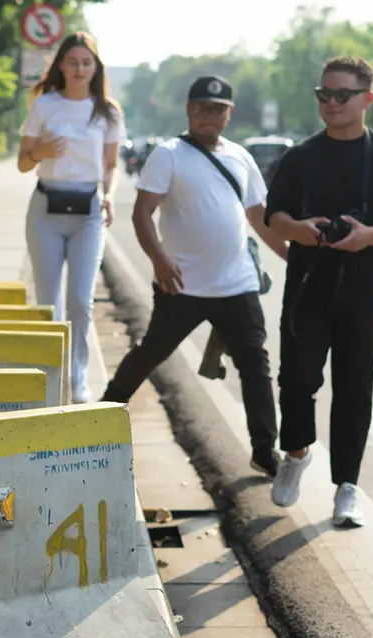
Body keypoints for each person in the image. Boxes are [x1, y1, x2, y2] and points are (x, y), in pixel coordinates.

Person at [263, 56, 373, 527]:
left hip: (364, 293)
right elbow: (275, 217)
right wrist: (302, 229)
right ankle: (296, 453)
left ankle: (347, 488)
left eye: (342, 95)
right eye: (324, 94)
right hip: (308, 290)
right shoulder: (300, 158)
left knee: (354, 390)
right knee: (297, 380)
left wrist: (368, 236)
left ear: (367, 99)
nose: (331, 103)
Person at [99, 75, 287, 477]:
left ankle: (264, 449)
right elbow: (142, 213)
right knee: (151, 352)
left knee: (255, 364)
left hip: (237, 284)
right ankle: (101, 416)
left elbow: (259, 218)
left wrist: (294, 258)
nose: (208, 116)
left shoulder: (240, 157)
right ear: (189, 110)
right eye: (201, 108)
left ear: (229, 114)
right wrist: (159, 260)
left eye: (217, 110)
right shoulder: (169, 155)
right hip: (182, 284)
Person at [17, 32, 127, 404]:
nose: (80, 69)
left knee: (81, 300)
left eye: (86, 62)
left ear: (96, 67)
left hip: (88, 213)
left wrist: (109, 195)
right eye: (73, 62)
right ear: (61, 65)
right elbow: (23, 162)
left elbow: (111, 166)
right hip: (46, 209)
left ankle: (77, 377)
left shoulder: (107, 111)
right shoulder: (45, 105)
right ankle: (52, 376)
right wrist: (41, 151)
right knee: (50, 304)